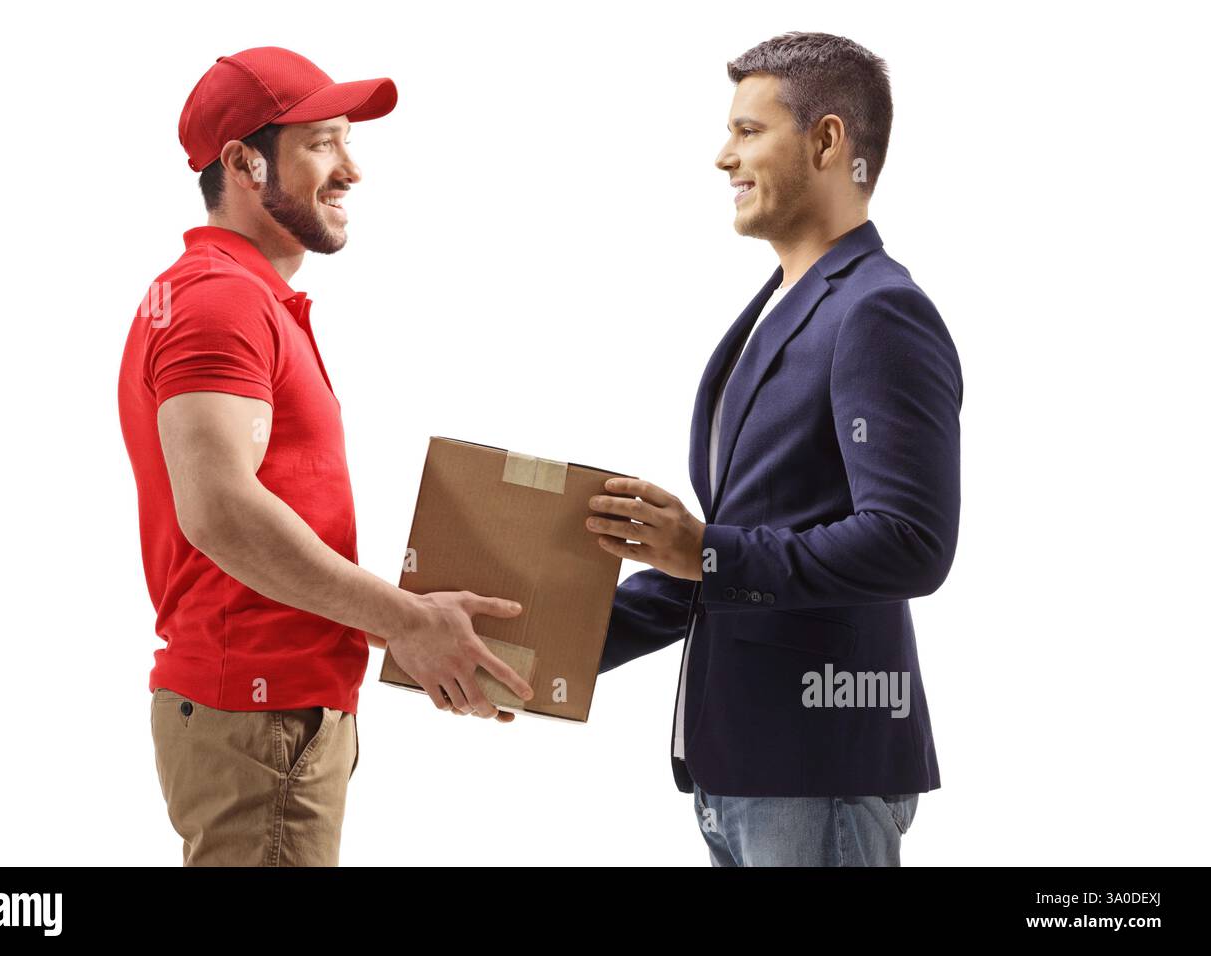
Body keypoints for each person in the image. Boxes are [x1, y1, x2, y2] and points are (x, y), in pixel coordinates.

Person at [118, 46, 532, 866]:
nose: (351, 170)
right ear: (243, 162)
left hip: (273, 715)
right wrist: (407, 622)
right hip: (260, 715)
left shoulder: (240, 296)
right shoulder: (219, 301)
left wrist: (401, 624)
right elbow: (220, 512)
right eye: (322, 143)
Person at [586, 32, 962, 866]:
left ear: (827, 142)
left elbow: (912, 543)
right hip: (743, 770)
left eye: (750, 131)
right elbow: (734, 553)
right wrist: (544, 649)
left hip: (817, 765)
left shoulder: (879, 311)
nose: (724, 157)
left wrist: (707, 552)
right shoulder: (779, 308)